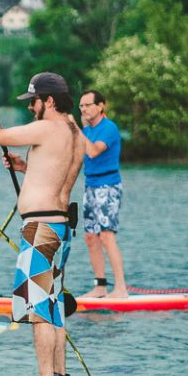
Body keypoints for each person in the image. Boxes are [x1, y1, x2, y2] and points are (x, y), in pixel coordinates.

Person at [0, 70, 83, 376]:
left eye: (33, 101)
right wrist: (26, 167)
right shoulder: (75, 132)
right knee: (53, 308)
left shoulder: (47, 127)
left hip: (40, 229)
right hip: (61, 227)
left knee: (38, 309)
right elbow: (57, 169)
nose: (30, 107)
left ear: (49, 101)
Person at [78, 90, 127, 300]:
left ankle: (121, 288)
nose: (84, 109)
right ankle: (100, 286)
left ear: (100, 106)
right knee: (90, 237)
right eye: (81, 106)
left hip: (108, 186)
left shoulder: (109, 128)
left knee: (106, 236)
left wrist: (76, 129)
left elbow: (93, 151)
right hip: (90, 185)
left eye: (88, 105)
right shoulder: (86, 130)